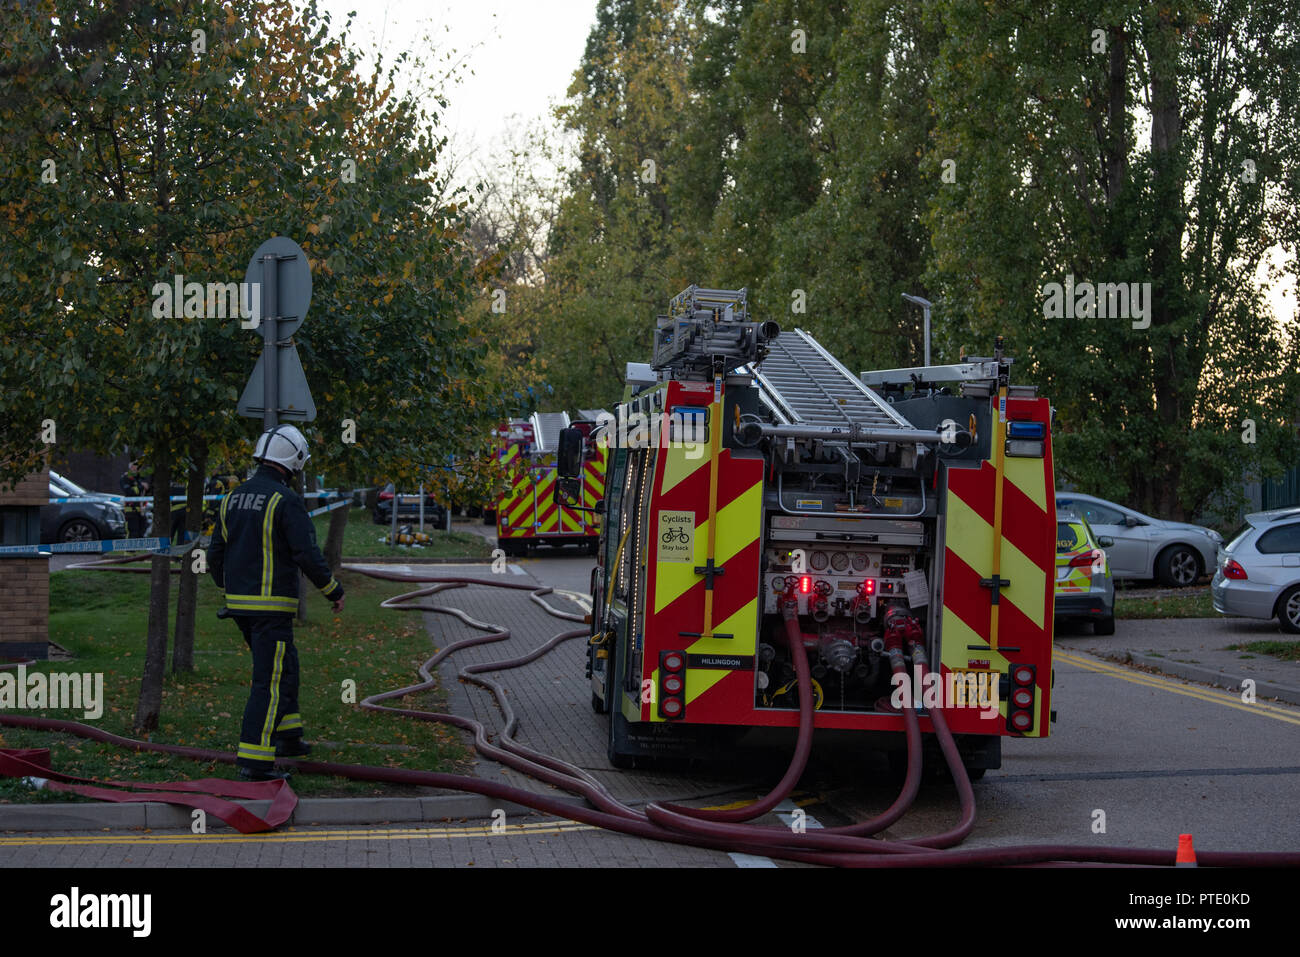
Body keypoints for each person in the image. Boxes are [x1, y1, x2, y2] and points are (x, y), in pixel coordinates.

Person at [208, 425, 346, 782]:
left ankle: (288, 737)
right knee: (268, 682)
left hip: (241, 608)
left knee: (287, 669)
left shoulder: (231, 498)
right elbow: (307, 554)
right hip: (271, 611)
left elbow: (215, 557)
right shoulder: (286, 501)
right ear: (294, 461)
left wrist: (232, 587)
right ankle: (254, 763)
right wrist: (333, 590)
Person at [118, 459, 149, 538]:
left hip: (142, 509)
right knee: (133, 531)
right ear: (131, 467)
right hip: (131, 510)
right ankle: (130, 550)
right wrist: (141, 486)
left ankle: (138, 549)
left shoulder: (140, 478)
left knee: (142, 530)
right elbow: (129, 491)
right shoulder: (125, 478)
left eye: (138, 466)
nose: (137, 468)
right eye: (135, 466)